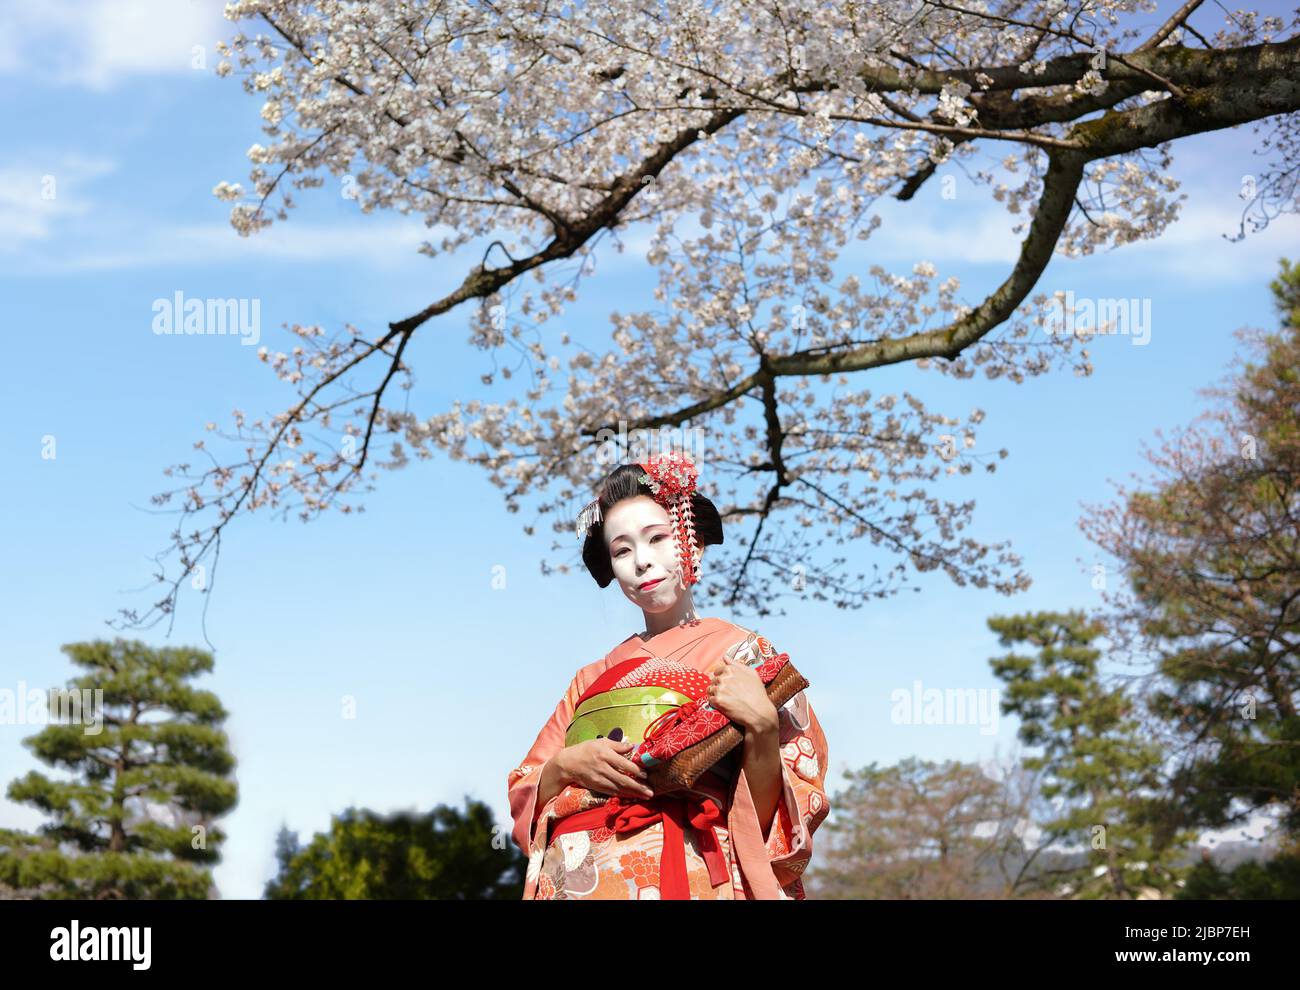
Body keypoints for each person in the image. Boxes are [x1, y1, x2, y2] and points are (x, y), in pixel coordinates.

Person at [506, 450, 830, 899]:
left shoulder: (747, 656)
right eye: (622, 550)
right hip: (582, 876)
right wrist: (564, 765)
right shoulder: (588, 678)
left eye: (656, 538)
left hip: (693, 864)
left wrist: (761, 724)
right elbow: (526, 785)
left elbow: (772, 819)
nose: (641, 561)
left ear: (691, 543)